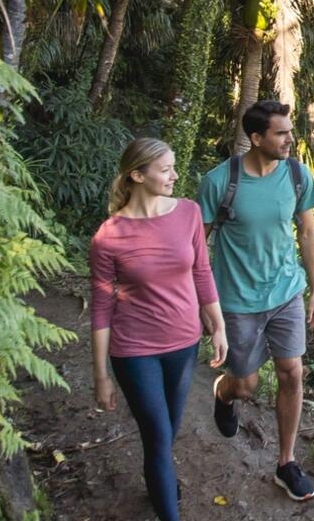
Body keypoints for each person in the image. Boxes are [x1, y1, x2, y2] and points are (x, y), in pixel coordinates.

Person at [89, 137, 228, 521]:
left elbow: (201, 271)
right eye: (165, 169)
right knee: (158, 436)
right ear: (137, 175)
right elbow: (101, 307)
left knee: (167, 432)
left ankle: (156, 477)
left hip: (184, 344)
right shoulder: (108, 236)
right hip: (134, 350)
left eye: (173, 166)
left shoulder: (188, 213)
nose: (175, 175)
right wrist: (100, 375)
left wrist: (217, 326)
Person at [199, 99, 314, 502]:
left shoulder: (298, 176)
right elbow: (197, 245)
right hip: (236, 300)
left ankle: (286, 463)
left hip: (286, 292)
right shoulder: (220, 182)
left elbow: (308, 233)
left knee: (292, 372)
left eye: (289, 130)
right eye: (281, 133)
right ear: (256, 138)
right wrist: (203, 304)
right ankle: (225, 392)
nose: (290, 138)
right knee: (247, 384)